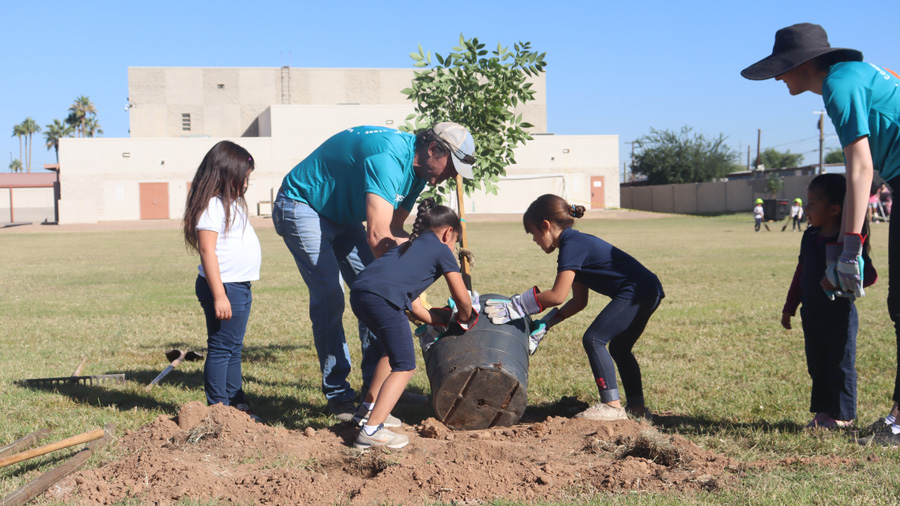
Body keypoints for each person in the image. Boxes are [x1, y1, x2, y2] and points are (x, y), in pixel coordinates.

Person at [742, 22, 900, 446]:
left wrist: (850, 247)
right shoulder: (867, 74)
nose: (779, 77)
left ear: (807, 64)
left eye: (784, 68)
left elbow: (861, 168)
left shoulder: (838, 85)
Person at [272, 123, 476, 421]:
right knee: (331, 298)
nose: (451, 176)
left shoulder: (418, 175)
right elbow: (379, 236)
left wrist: (431, 255)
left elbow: (395, 230)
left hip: (344, 217)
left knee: (378, 292)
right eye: (452, 167)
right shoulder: (388, 157)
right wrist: (418, 286)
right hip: (303, 205)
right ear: (433, 149)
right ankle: (339, 396)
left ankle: (377, 387)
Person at [484, 194, 664, 421]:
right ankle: (637, 409)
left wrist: (516, 305)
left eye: (533, 233)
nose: (534, 240)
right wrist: (547, 323)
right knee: (619, 348)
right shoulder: (575, 244)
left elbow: (557, 295)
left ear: (546, 226)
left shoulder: (572, 245)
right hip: (650, 289)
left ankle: (611, 406)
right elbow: (579, 301)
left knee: (594, 339)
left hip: (637, 291)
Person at [349, 198, 475, 448]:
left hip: (361, 293)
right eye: (455, 243)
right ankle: (371, 432)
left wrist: (438, 320)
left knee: (391, 352)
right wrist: (465, 317)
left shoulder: (408, 247)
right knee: (405, 365)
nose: (453, 248)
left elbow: (417, 308)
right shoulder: (440, 250)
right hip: (383, 300)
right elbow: (462, 298)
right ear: (448, 233)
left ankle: (367, 410)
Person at [781, 174, 876, 430]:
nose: (806, 208)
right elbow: (801, 272)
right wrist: (790, 306)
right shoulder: (810, 237)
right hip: (811, 314)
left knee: (840, 365)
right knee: (818, 365)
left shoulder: (848, 243)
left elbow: (869, 276)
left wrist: (840, 281)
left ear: (835, 209)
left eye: (813, 203)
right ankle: (824, 412)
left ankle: (843, 415)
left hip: (839, 317)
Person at [182, 141, 263, 423]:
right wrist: (219, 295)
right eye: (243, 177)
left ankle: (235, 403)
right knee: (221, 348)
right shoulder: (211, 207)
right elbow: (207, 251)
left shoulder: (229, 204)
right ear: (224, 174)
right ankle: (218, 409)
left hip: (238, 286)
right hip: (225, 288)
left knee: (233, 347)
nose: (245, 183)